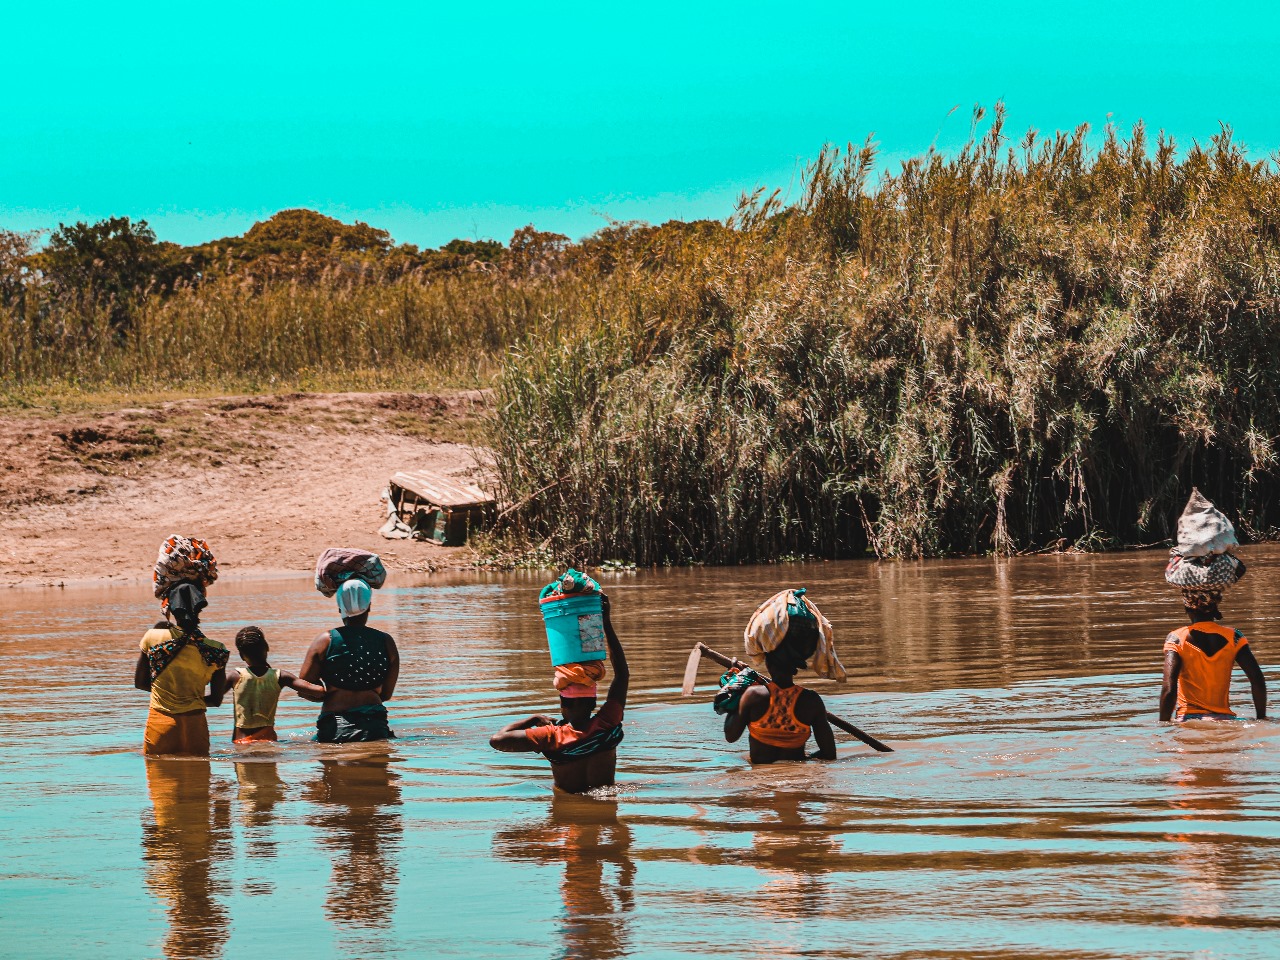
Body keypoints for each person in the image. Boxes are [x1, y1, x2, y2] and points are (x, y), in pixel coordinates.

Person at [489, 594, 629, 793]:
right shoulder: (607, 723)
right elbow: (622, 675)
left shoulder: (551, 737)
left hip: (568, 817)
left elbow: (497, 740)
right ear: (593, 703)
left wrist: (534, 718)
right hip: (604, 802)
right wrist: (606, 622)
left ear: (562, 704)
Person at [295, 579, 400, 742]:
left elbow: (303, 688)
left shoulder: (325, 641)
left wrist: (328, 693)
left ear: (339, 608)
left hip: (334, 727)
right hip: (375, 726)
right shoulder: (387, 642)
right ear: (369, 606)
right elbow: (386, 694)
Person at [134, 582, 230, 756]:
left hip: (160, 723)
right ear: (199, 608)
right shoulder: (216, 650)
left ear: (170, 609)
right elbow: (216, 699)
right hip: (196, 726)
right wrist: (189, 700)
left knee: (160, 780)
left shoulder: (153, 637)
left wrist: (169, 696)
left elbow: (140, 682)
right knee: (199, 780)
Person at [1159, 590, 1267, 722]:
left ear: (1187, 609)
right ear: (1215, 607)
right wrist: (1262, 719)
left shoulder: (1176, 638)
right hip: (1225, 720)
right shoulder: (1234, 637)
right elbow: (1258, 680)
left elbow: (1169, 689)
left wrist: (1163, 727)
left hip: (1188, 720)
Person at [721, 645, 837, 764]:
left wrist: (735, 686)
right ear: (794, 668)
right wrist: (806, 758)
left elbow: (730, 736)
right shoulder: (811, 700)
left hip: (761, 779)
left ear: (768, 665)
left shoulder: (752, 696)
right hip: (797, 777)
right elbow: (829, 754)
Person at [226, 626, 300, 743]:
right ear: (267, 648)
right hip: (268, 739)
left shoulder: (235, 676)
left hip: (241, 743)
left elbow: (214, 699)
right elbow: (318, 691)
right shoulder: (280, 676)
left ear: (241, 655)